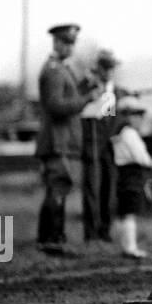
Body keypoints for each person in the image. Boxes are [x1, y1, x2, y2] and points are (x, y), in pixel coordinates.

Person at [34, 24, 101, 256]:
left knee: (60, 188)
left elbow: (67, 95)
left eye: (72, 43)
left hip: (64, 140)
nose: (70, 47)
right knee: (57, 189)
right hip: (56, 140)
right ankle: (50, 240)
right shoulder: (54, 70)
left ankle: (54, 238)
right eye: (67, 43)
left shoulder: (62, 69)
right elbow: (56, 106)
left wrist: (85, 88)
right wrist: (86, 99)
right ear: (57, 43)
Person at [78, 49, 119, 244]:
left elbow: (110, 117)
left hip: (107, 145)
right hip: (91, 143)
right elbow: (81, 111)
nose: (109, 72)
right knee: (92, 188)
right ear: (99, 69)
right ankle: (91, 232)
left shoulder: (111, 89)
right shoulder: (87, 86)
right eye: (106, 68)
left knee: (107, 188)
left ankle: (105, 229)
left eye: (112, 68)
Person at [110, 98, 152, 260]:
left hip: (123, 175)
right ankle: (130, 248)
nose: (139, 119)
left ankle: (127, 246)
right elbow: (140, 156)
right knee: (130, 212)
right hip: (132, 175)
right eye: (136, 115)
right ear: (128, 116)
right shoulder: (129, 134)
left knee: (126, 212)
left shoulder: (119, 133)